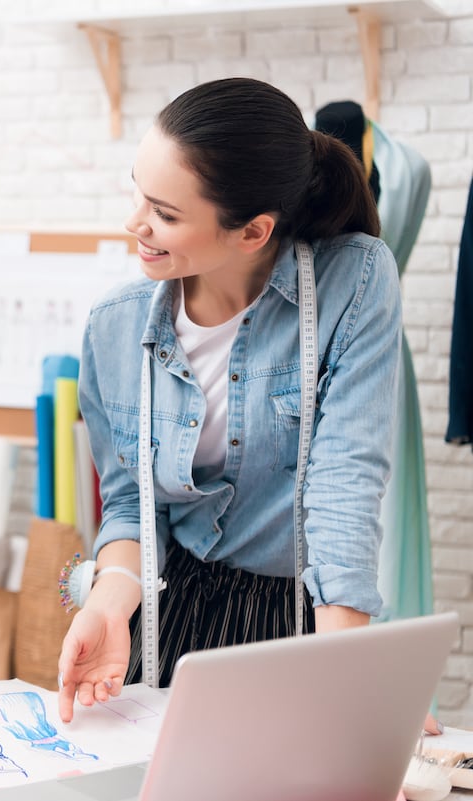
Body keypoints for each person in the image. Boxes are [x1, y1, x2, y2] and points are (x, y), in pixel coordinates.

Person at [57, 78, 403, 722]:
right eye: (138, 193)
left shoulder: (352, 279)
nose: (135, 224)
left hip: (300, 616)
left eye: (165, 214)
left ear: (252, 232)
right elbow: (132, 504)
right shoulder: (115, 325)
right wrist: (107, 605)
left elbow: (346, 482)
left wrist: (351, 678)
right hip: (167, 611)